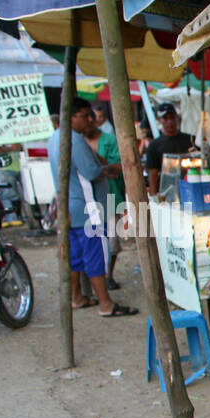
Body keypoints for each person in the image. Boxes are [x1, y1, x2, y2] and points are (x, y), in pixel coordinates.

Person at [47, 99, 137, 317]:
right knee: (95, 256)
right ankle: (105, 304)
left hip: (71, 208)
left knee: (76, 256)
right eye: (86, 115)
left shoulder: (54, 138)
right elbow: (91, 171)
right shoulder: (74, 140)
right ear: (72, 117)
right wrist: (107, 169)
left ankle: (76, 297)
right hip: (89, 209)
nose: (91, 119)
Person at [84, 119, 125, 289]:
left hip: (111, 198)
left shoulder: (109, 140)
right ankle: (93, 279)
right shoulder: (77, 142)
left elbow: (117, 168)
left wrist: (94, 159)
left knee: (112, 241)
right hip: (87, 201)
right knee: (91, 239)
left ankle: (108, 275)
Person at [144, 102, 195, 196]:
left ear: (176, 118)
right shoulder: (154, 145)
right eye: (166, 118)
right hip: (166, 192)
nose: (170, 122)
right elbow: (153, 173)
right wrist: (154, 196)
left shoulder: (190, 140)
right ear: (159, 120)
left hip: (190, 187)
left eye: (172, 117)